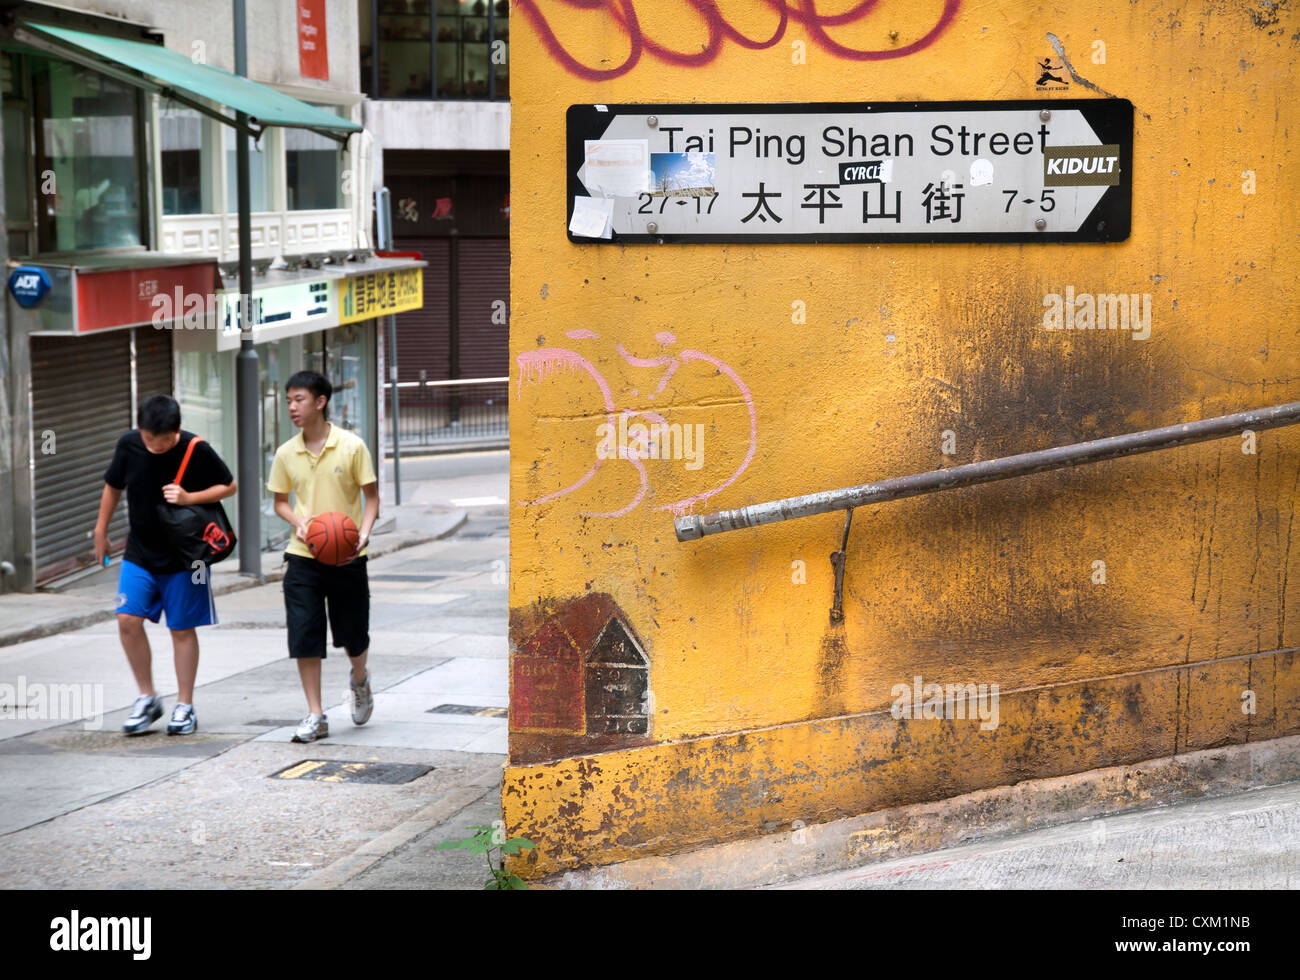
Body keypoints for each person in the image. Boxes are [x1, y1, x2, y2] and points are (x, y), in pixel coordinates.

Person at [94, 394, 237, 736]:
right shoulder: (129, 444)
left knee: (182, 628)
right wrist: (100, 530)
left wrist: (190, 498)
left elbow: (228, 486)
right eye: (149, 440)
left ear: (177, 430)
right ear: (140, 430)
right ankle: (147, 697)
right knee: (127, 619)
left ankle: (185, 705)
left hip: (188, 558)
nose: (155, 447)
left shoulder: (196, 448)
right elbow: (113, 487)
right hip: (139, 551)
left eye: (163, 442)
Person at [268, 371, 379, 743]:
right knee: (304, 633)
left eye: (298, 399)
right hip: (302, 555)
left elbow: (372, 497)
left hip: (347, 555)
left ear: (320, 402)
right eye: (287, 401)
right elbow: (280, 502)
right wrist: (299, 522)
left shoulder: (351, 447)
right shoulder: (286, 453)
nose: (292, 407)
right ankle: (316, 714)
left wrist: (362, 535)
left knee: (353, 634)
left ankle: (359, 679)